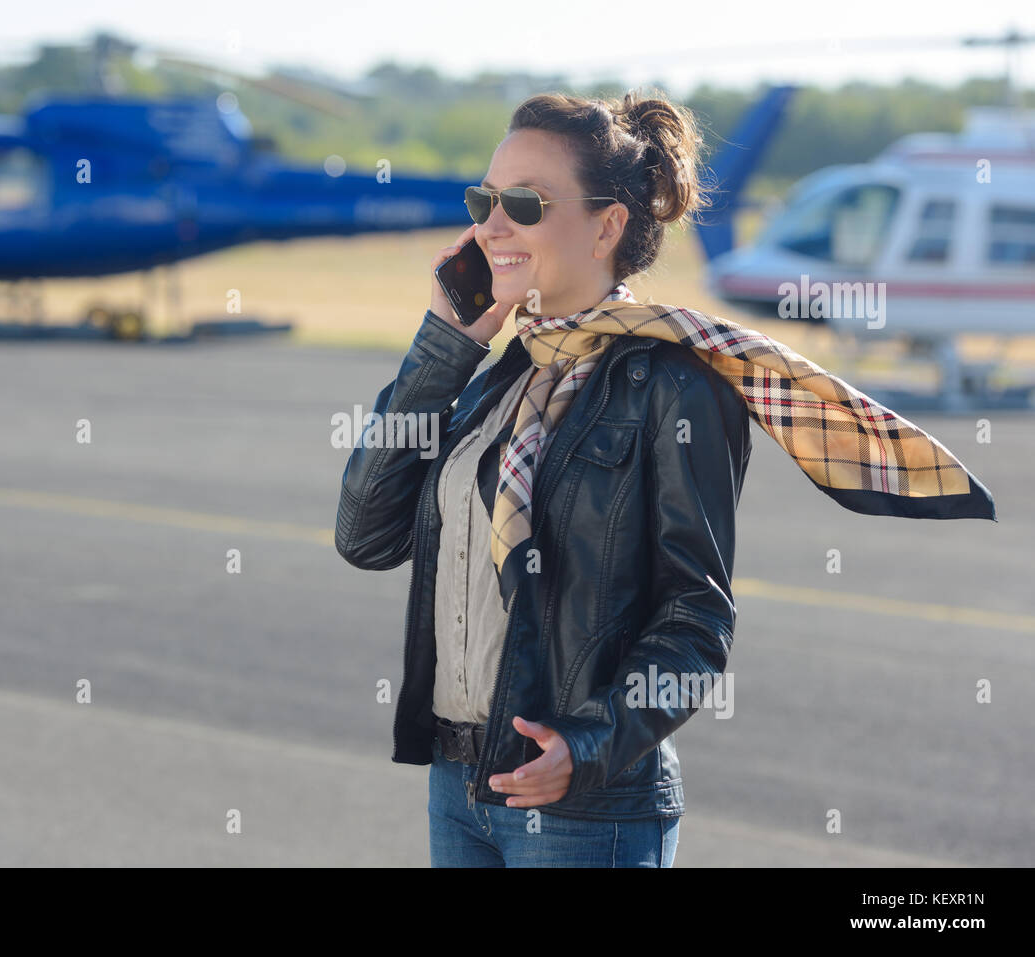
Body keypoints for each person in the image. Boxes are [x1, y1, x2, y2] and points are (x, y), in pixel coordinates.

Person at [334, 89, 995, 868]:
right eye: (484, 199)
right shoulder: (489, 377)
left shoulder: (677, 387)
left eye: (523, 202)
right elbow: (364, 536)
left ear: (607, 224)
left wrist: (588, 746)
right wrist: (445, 343)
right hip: (460, 789)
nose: (491, 225)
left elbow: (696, 621)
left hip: (589, 809)